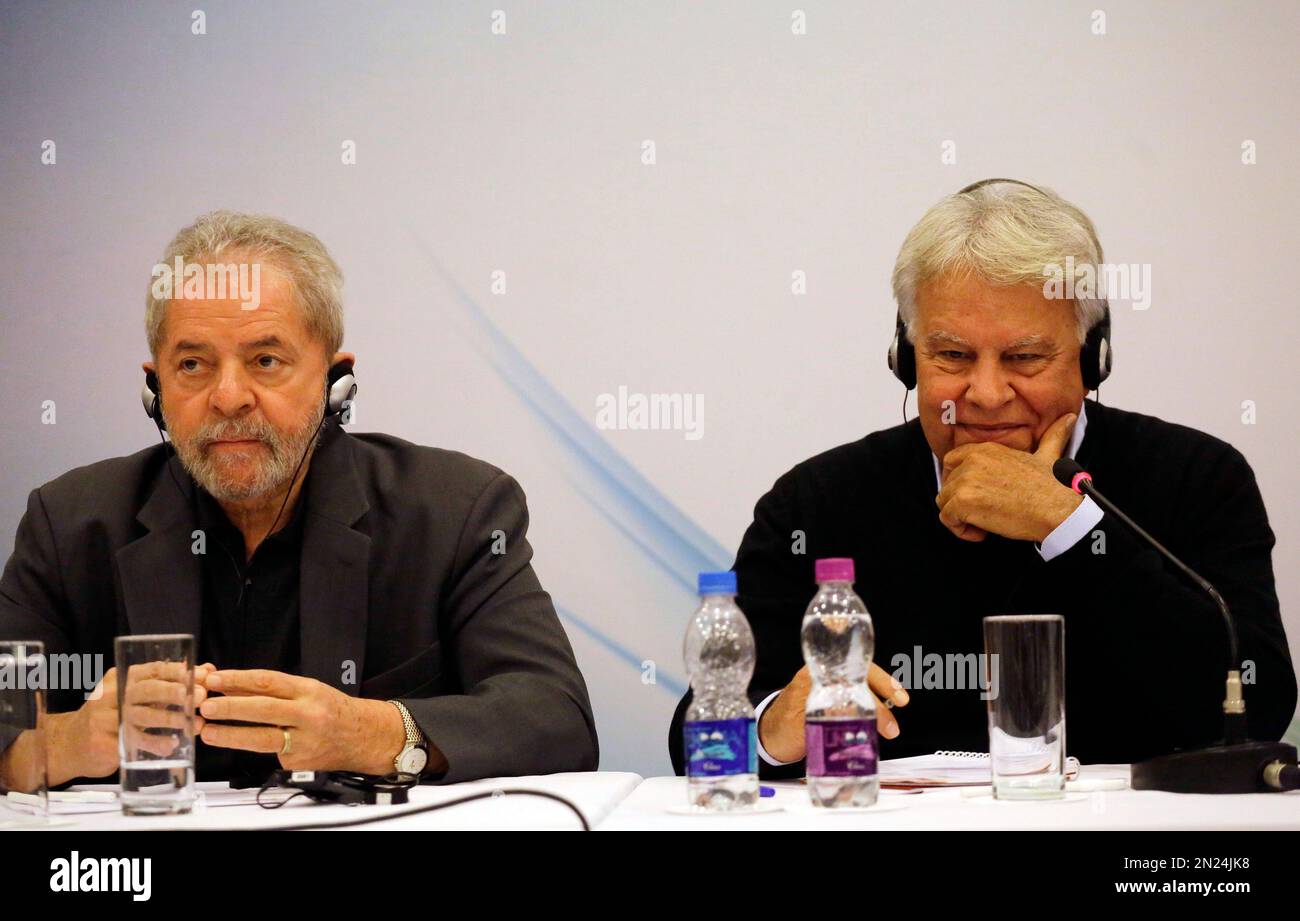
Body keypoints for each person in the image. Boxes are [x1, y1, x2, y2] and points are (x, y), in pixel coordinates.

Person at [669, 179, 1296, 778]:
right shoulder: (816, 504)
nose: (988, 394)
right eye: (952, 355)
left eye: (1025, 357)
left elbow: (1259, 705)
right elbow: (695, 743)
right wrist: (772, 729)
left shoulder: (1198, 478)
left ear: (1091, 358)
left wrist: (1068, 526)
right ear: (905, 358)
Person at [0, 211, 597, 788]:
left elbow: (556, 719)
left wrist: (371, 733)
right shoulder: (72, 523)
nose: (228, 396)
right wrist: (71, 740)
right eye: (193, 364)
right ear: (155, 386)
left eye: (266, 360)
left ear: (335, 382)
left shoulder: (453, 512)